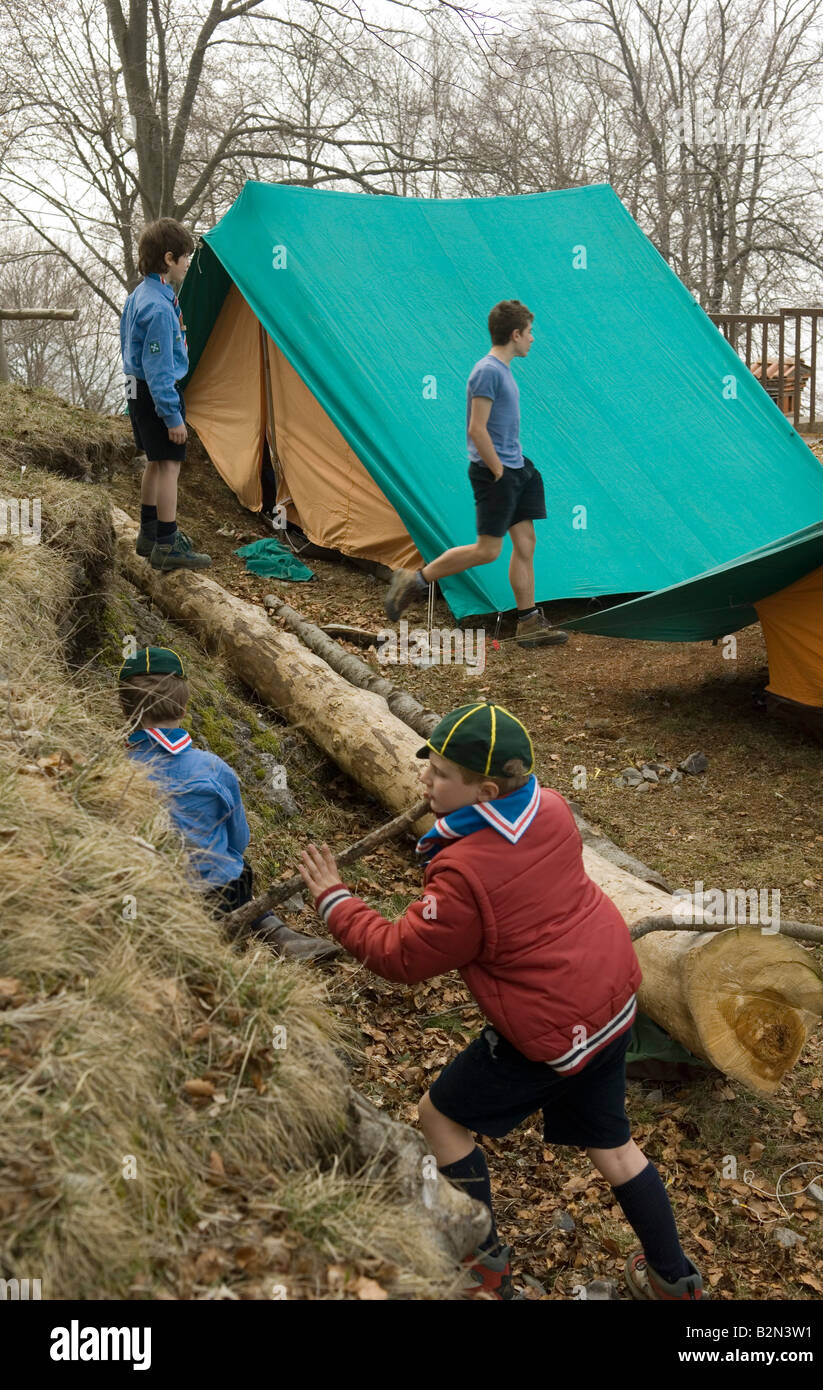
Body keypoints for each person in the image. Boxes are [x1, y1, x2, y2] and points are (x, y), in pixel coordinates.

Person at [297, 701, 702, 1300]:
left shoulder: (463, 875)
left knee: (441, 1117)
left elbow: (400, 957)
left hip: (545, 1032)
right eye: (427, 766)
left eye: (440, 776)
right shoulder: (554, 807)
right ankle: (675, 1281)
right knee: (614, 1146)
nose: (424, 781)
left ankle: (480, 1263)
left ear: (486, 789)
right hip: (611, 1001)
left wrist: (335, 900)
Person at [118, 646, 338, 962]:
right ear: (183, 708)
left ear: (125, 709)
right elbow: (239, 840)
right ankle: (274, 932)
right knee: (233, 866)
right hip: (219, 896)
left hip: (151, 896)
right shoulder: (214, 767)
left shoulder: (114, 772)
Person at [384, 300, 568, 648]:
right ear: (515, 334)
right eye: (529, 333)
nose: (532, 339)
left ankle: (528, 623)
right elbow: (476, 429)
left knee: (526, 542)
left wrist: (515, 468)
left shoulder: (503, 370)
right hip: (496, 472)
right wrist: (499, 471)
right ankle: (415, 580)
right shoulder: (487, 371)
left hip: (518, 467)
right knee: (487, 551)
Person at [120, 218, 211, 571]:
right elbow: (158, 368)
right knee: (170, 465)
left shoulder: (137, 296)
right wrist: (172, 416)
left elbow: (131, 351)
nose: (189, 262)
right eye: (186, 256)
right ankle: (169, 544)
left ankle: (149, 533)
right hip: (157, 393)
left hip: (137, 391)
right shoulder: (158, 306)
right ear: (169, 258)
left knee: (156, 462)